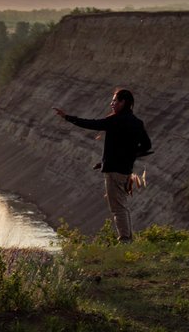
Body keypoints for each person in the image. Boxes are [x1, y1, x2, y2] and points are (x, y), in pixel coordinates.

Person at [53, 88, 152, 243]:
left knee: (117, 207)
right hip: (125, 170)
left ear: (123, 102)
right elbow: (146, 146)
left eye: (114, 100)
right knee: (122, 205)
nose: (111, 103)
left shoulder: (115, 121)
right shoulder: (137, 123)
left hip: (114, 172)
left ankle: (125, 240)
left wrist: (67, 117)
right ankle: (128, 239)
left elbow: (91, 124)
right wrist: (125, 157)